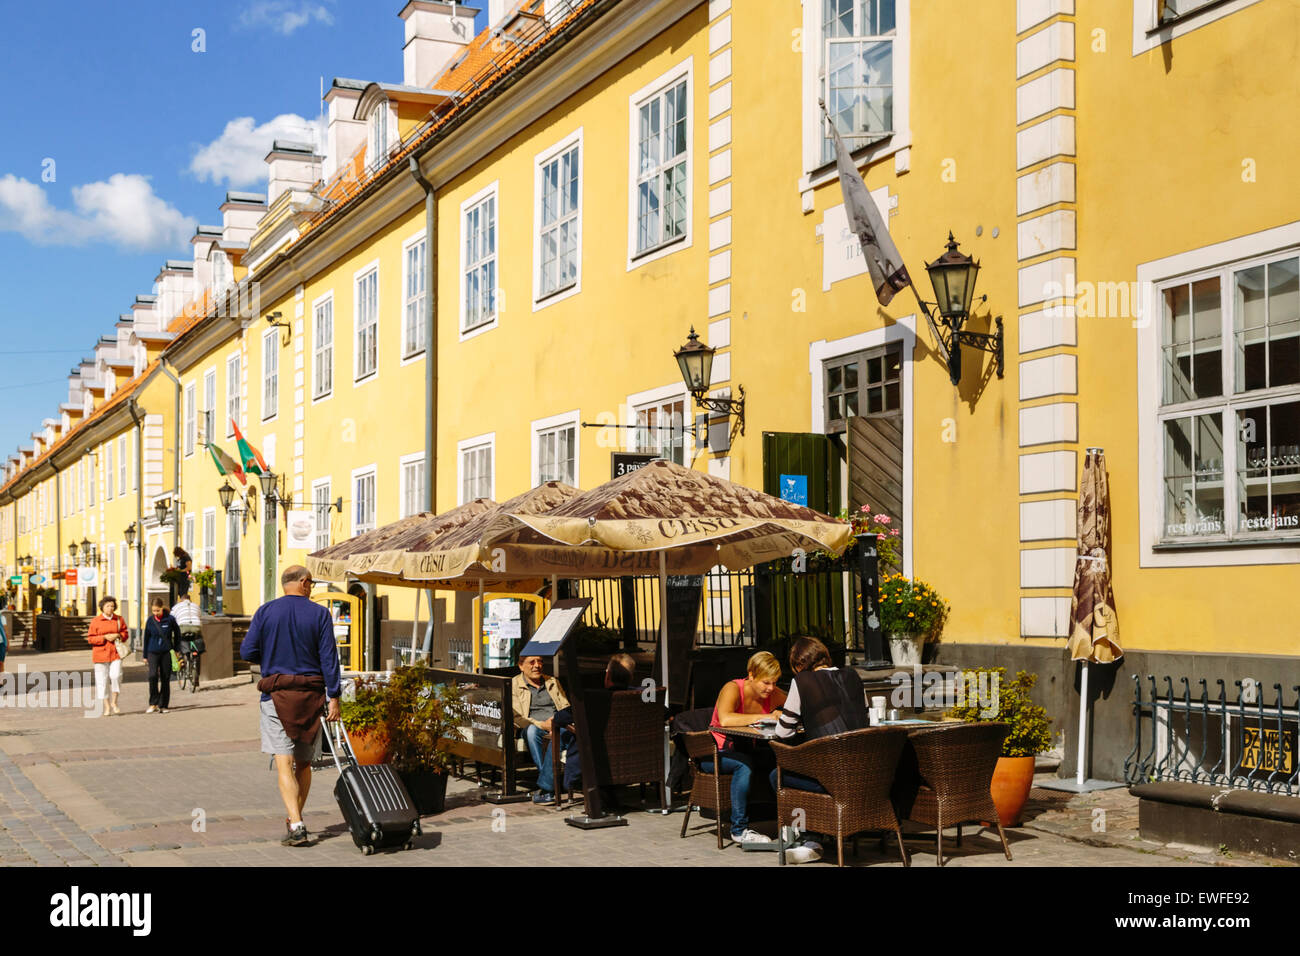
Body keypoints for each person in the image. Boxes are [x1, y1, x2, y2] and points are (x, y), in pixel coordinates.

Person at [240, 565, 340, 847]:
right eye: (311, 584)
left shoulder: (265, 611)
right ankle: (295, 816)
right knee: (304, 764)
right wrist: (335, 696)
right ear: (304, 582)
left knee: (283, 762)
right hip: (310, 697)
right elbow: (328, 658)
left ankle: (296, 823)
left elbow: (247, 651)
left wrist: (269, 653)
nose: (312, 588)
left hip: (276, 694)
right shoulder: (319, 614)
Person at [704, 651, 788, 844]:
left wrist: (781, 712)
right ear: (751, 675)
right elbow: (725, 719)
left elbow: (795, 706)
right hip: (716, 753)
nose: (770, 688)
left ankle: (788, 824)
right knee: (744, 765)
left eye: (774, 682)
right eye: (766, 682)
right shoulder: (733, 688)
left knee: (780, 762)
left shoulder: (772, 694)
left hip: (747, 748)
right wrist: (766, 716)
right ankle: (739, 829)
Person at [769, 636, 869, 795]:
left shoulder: (802, 680)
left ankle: (810, 818)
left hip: (829, 779)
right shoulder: (853, 675)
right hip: (863, 774)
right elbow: (866, 717)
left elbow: (783, 732)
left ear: (799, 664)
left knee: (776, 776)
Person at [551, 653, 641, 794]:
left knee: (571, 734)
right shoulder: (642, 698)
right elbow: (665, 713)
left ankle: (553, 787)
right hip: (634, 761)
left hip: (596, 764)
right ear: (631, 677)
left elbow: (559, 718)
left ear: (607, 676)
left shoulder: (593, 699)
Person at [511, 653, 573, 804]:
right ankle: (550, 781)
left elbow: (566, 707)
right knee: (532, 731)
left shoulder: (552, 681)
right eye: (531, 662)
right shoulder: (514, 684)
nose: (537, 666)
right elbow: (517, 717)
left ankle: (547, 788)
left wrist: (557, 722)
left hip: (557, 724)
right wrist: (542, 725)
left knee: (560, 735)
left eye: (539, 662)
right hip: (533, 726)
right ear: (521, 666)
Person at [86, 596, 128, 717]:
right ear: (102, 607)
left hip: (115, 653)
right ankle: (107, 706)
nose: (110, 608)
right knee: (102, 681)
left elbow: (125, 634)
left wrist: (118, 635)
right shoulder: (96, 621)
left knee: (116, 676)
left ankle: (114, 702)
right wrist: (104, 637)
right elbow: (90, 638)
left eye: (112, 606)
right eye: (108, 606)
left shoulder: (119, 619)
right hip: (100, 654)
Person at [143, 598, 182, 714]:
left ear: (162, 608)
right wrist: (145, 655)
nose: (156, 613)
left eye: (158, 610)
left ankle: (163, 705)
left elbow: (178, 634)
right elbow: (146, 638)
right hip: (152, 652)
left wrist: (176, 649)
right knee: (153, 676)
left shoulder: (170, 619)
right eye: (154, 611)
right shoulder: (150, 621)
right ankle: (153, 703)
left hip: (166, 652)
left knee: (165, 678)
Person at [171, 589, 204, 676]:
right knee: (198, 638)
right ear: (190, 600)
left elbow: (171, 620)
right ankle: (196, 660)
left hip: (182, 627)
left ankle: (180, 657)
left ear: (181, 600)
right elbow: (200, 617)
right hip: (196, 627)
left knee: (176, 639)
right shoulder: (196, 606)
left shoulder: (176, 607)